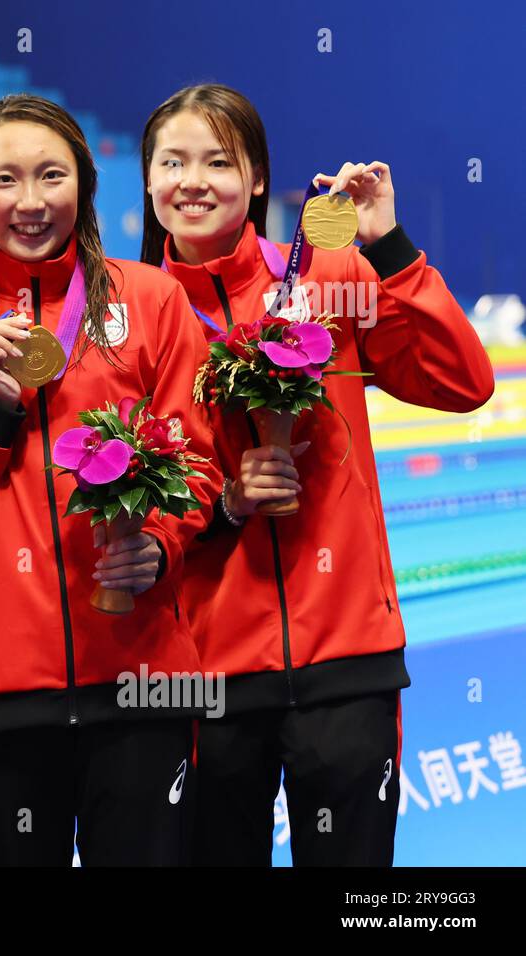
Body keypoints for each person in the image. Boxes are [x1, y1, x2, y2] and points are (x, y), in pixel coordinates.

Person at [139, 83, 495, 865]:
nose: (192, 181)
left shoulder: (325, 279)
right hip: (206, 676)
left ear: (258, 178)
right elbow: (134, 505)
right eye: (173, 161)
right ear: (149, 178)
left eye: (217, 161)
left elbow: (462, 382)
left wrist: (390, 246)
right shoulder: (135, 314)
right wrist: (228, 505)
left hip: (347, 659)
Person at [0, 94, 221, 866]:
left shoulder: (150, 300)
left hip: (141, 682)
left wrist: (158, 540)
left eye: (51, 176)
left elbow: (199, 459)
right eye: (5, 180)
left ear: (83, 186)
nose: (29, 201)